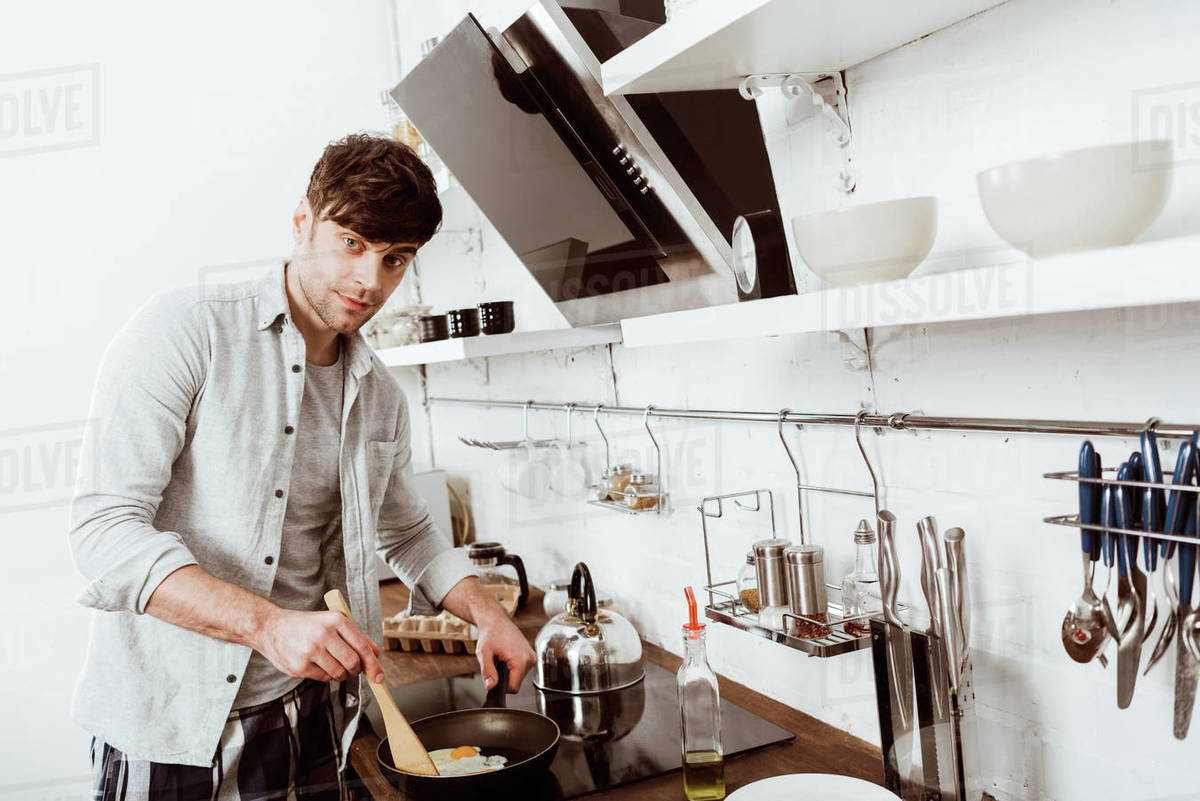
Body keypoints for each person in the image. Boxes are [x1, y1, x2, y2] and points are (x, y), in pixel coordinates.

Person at [68, 133, 535, 800]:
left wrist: (488, 614)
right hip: (170, 722)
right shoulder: (184, 332)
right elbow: (104, 533)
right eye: (352, 243)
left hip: (311, 711)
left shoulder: (379, 395)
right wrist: (269, 625)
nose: (370, 281)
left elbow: (405, 532)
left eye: (395, 259)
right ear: (302, 222)